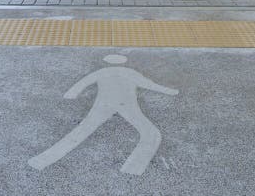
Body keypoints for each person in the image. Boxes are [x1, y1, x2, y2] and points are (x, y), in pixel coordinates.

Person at [28, 54, 178, 175]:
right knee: (150, 132)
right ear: (122, 62)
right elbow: (150, 85)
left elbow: (83, 82)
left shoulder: (102, 72)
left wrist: (71, 94)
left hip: (104, 105)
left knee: (81, 131)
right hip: (127, 106)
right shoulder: (130, 72)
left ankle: (41, 161)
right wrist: (170, 91)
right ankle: (133, 169)